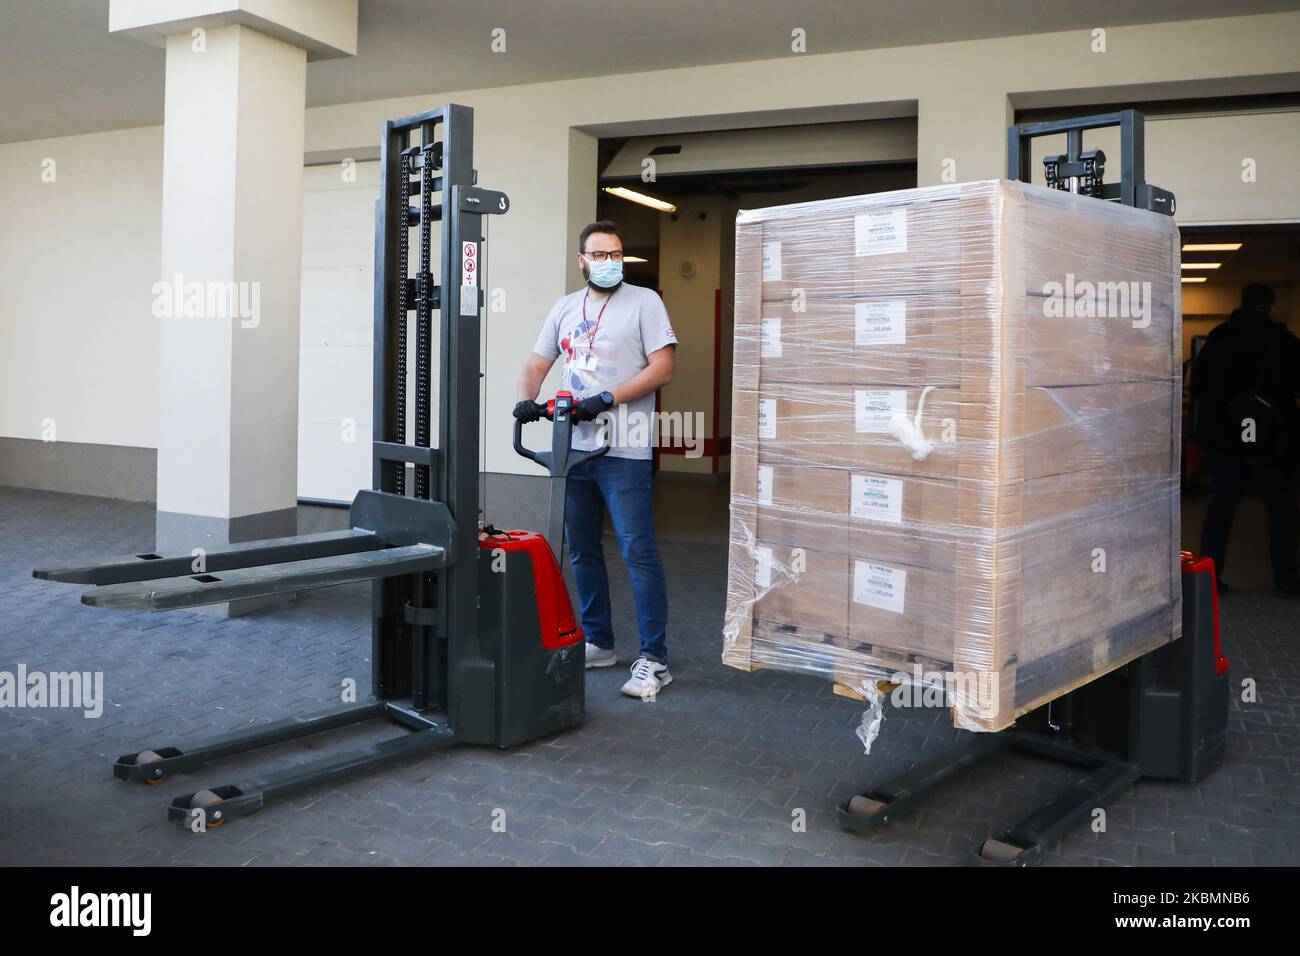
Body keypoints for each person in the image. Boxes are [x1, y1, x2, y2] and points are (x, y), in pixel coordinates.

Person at [514, 220, 677, 697]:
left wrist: (607, 398)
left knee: (636, 549)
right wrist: (526, 401)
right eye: (600, 255)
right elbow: (535, 365)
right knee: (582, 548)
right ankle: (600, 642)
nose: (609, 262)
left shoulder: (645, 302)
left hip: (622, 447)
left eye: (616, 254)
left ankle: (654, 658)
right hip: (574, 449)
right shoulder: (565, 307)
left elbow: (663, 367)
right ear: (582, 260)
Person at [1192, 282, 1300, 597]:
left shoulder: (1219, 340)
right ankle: (1286, 580)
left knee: (1221, 509)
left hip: (1227, 441)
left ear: (1241, 302)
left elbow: (1199, 386)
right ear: (1270, 305)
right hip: (1270, 444)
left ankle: (1210, 579)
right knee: (1282, 511)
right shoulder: (1283, 341)